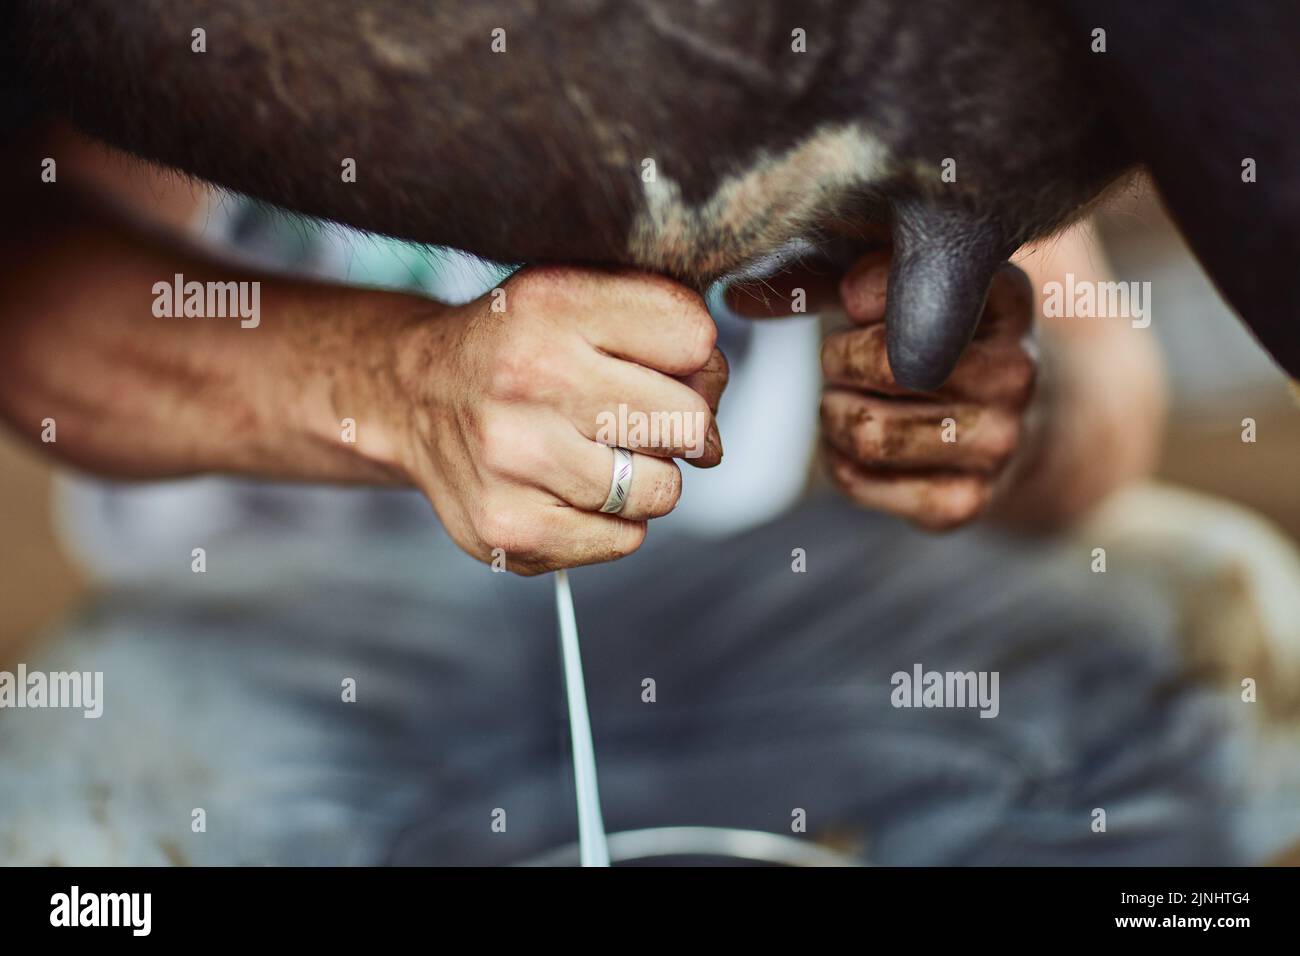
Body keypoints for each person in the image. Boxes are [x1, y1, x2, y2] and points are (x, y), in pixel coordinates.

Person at [3, 122, 1293, 865]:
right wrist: (394, 387)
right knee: (60, 844)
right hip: (269, 617)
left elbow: (1100, 369)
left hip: (742, 591)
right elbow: (30, 304)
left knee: (1208, 651)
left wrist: (998, 407)